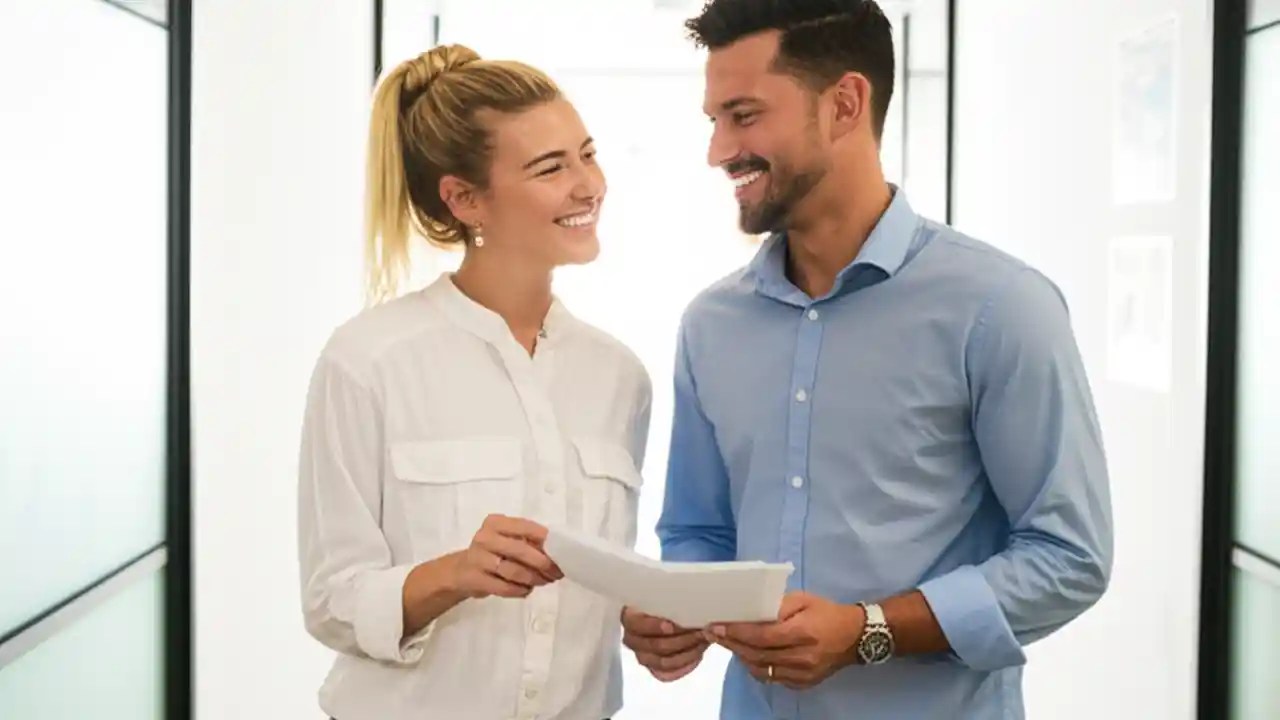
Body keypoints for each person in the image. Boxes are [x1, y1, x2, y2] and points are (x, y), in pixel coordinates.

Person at [621, 1, 1113, 718]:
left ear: (845, 104)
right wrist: (676, 611)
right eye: (714, 120)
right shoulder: (711, 325)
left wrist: (867, 632)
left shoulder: (1000, 306)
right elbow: (699, 531)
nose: (719, 150)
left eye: (744, 114)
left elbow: (1069, 558)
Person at [297, 43, 651, 720]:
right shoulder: (367, 361)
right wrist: (453, 573)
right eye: (551, 167)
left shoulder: (620, 377)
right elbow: (331, 601)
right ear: (464, 199)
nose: (588, 184)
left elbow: (601, 585)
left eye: (587, 153)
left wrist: (649, 617)